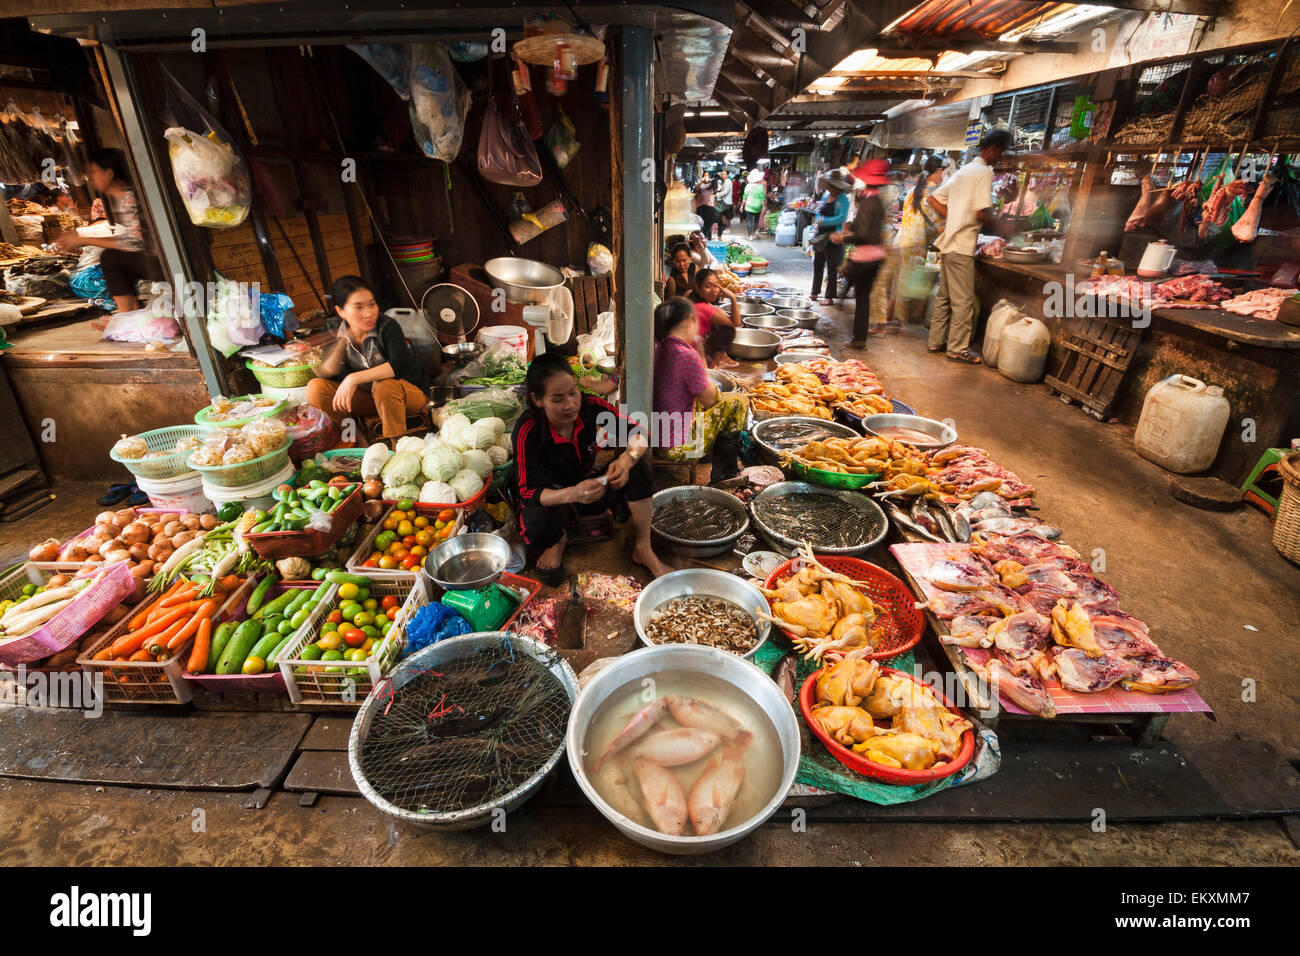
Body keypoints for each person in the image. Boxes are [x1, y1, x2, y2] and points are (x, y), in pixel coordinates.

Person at [513, 352, 672, 583]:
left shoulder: (590, 406)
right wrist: (571, 494)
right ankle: (557, 541)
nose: (570, 404)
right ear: (538, 400)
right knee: (535, 521)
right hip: (555, 499)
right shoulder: (528, 430)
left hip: (589, 487)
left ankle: (643, 549)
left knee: (638, 465)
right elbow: (527, 490)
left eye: (573, 393)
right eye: (557, 399)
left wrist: (627, 460)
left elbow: (639, 433)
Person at [307, 275, 432, 440]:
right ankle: (354, 440)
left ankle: (399, 448)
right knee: (315, 388)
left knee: (383, 386)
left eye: (372, 304)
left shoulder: (387, 326)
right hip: (369, 399)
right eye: (359, 307)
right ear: (340, 311)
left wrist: (353, 378)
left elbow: (398, 365)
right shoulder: (335, 328)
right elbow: (326, 372)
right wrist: (343, 342)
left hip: (405, 397)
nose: (368, 313)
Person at [928, 130, 1011, 363]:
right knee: (964, 302)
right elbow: (981, 212)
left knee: (944, 297)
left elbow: (932, 198)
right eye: (1001, 152)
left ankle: (935, 342)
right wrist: (1001, 227)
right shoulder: (984, 172)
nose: (1000, 157)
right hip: (962, 246)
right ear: (993, 149)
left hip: (948, 246)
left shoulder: (963, 170)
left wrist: (954, 217)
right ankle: (956, 349)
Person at [652, 297, 747, 478]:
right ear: (689, 320)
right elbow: (710, 398)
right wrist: (701, 356)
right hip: (675, 446)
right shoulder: (686, 355)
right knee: (737, 402)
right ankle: (726, 474)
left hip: (656, 435)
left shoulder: (660, 348)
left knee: (705, 402)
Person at [52, 148, 154, 315]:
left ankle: (128, 313)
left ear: (108, 173)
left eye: (94, 172)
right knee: (111, 257)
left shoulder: (130, 197)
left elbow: (134, 243)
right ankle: (128, 312)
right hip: (151, 255)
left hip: (160, 258)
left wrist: (83, 240)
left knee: (111, 258)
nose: (91, 177)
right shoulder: (122, 198)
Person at [832, 159, 888, 349]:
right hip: (876, 256)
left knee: (859, 295)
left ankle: (856, 336)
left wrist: (843, 238)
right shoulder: (877, 200)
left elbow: (863, 233)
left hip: (865, 258)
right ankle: (858, 337)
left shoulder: (869, 202)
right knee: (861, 297)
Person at [894, 155, 946, 327]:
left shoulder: (913, 190)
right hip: (921, 245)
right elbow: (938, 224)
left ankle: (900, 317)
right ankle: (914, 317)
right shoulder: (935, 192)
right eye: (944, 172)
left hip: (904, 240)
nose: (944, 176)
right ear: (939, 170)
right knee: (926, 278)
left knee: (904, 279)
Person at [810, 169, 853, 305]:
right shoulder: (826, 195)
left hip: (834, 236)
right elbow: (819, 211)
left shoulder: (843, 200)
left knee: (831, 267)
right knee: (818, 264)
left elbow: (841, 218)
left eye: (831, 184)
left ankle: (829, 296)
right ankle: (815, 292)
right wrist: (818, 220)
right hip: (821, 235)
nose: (829, 187)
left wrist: (825, 221)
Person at [688, 268, 742, 368]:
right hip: (692, 351)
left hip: (691, 346)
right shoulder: (704, 308)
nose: (714, 290)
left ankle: (720, 357)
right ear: (698, 287)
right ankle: (718, 360)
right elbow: (736, 323)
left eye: (717, 285)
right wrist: (732, 298)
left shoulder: (691, 297)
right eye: (708, 286)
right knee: (728, 329)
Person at [741, 169, 766, 239]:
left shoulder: (748, 186)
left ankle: (750, 236)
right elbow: (763, 197)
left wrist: (741, 205)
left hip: (749, 205)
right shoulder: (761, 186)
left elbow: (744, 196)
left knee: (749, 221)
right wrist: (763, 206)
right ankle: (754, 234)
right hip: (758, 206)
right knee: (756, 220)